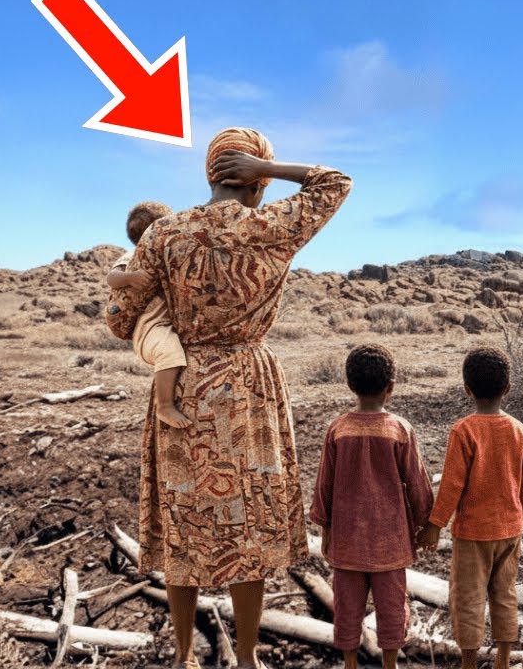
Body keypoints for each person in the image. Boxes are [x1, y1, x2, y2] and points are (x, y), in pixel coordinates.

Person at [104, 127, 351, 669]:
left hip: (185, 380)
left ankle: (186, 656)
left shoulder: (165, 233)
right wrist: (272, 169)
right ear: (253, 179)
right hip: (249, 386)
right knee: (250, 522)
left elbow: (121, 320)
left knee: (182, 518)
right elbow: (335, 182)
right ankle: (245, 658)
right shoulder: (272, 225)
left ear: (209, 174)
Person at [310, 344, 434, 669]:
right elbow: (417, 482)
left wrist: (324, 529)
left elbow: (324, 484)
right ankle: (389, 664)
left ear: (350, 385)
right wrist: (427, 524)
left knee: (347, 606)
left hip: (347, 540)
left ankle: (350, 662)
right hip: (390, 542)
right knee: (393, 606)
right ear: (390, 388)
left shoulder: (338, 429)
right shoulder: (400, 430)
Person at [416, 347, 523, 669]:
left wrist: (435, 524)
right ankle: (503, 660)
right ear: (507, 388)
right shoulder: (519, 431)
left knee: (468, 599)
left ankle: (469, 663)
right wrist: (517, 521)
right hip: (510, 532)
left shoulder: (464, 430)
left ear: (467, 389)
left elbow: (453, 484)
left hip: (472, 535)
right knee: (505, 594)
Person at [105, 202, 192, 429]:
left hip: (165, 323)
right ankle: (164, 405)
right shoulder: (133, 256)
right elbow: (111, 277)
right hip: (150, 328)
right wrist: (130, 278)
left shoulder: (171, 256)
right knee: (169, 350)